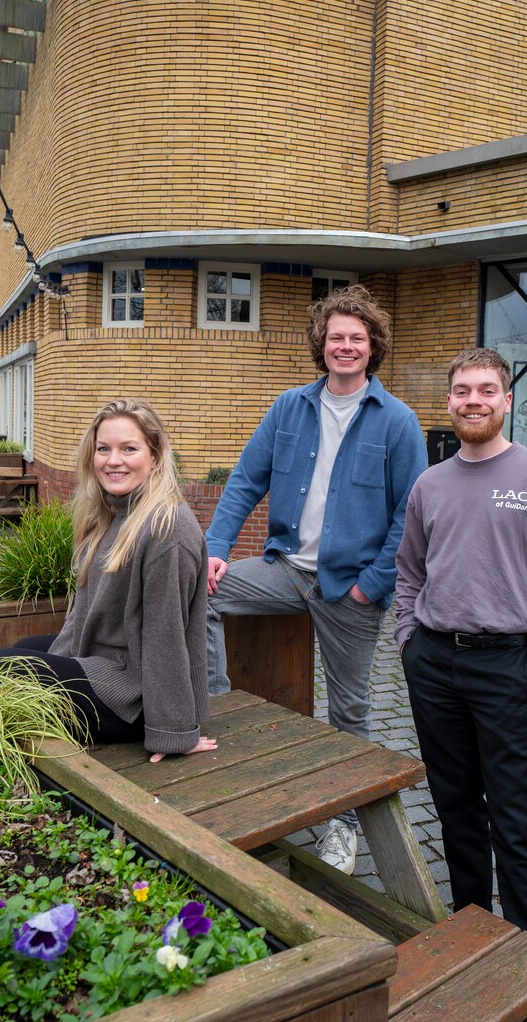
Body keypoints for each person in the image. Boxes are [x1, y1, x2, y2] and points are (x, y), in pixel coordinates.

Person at [206, 284, 427, 873]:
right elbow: (245, 481)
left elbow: (411, 513)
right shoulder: (289, 408)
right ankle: (218, 710)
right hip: (284, 570)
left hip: (351, 587)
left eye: (357, 338)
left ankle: (344, 822)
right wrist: (213, 550)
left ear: (372, 345)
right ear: (321, 344)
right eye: (336, 338)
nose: (346, 347)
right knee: (195, 589)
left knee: (350, 711)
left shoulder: (398, 421)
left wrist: (372, 585)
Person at [395, 350, 527, 971]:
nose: (472, 400)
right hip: (434, 664)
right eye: (461, 390)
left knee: (517, 823)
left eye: (485, 389)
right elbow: (409, 572)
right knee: (455, 811)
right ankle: (471, 944)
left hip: (508, 666)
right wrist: (408, 641)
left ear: (506, 400)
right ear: (449, 402)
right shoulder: (430, 484)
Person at [0, 398, 216, 763]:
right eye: (103, 449)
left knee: (1, 665)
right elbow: (84, 611)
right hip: (107, 659)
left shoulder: (166, 530)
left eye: (129, 449)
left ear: (154, 456)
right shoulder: (111, 511)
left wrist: (173, 732)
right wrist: (64, 662)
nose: (113, 460)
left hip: (133, 697)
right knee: (27, 648)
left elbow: (166, 635)